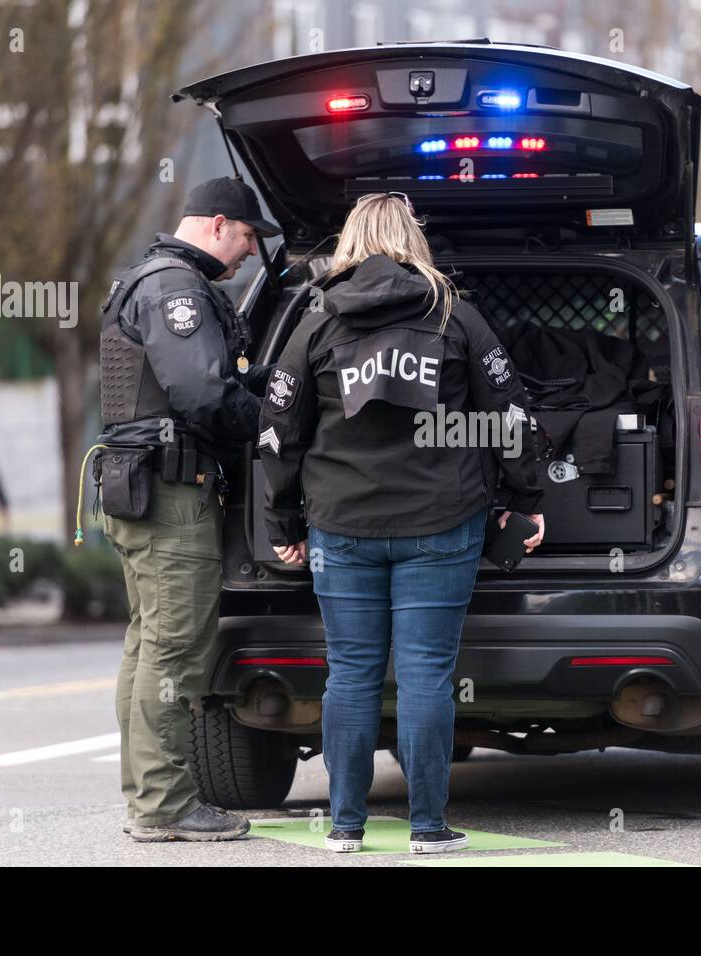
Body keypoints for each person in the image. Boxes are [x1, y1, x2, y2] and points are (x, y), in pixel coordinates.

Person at [259, 192, 545, 855]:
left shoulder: (318, 320)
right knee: (424, 676)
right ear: (414, 238)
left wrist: (282, 522)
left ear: (350, 239)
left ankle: (346, 827)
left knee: (352, 675)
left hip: (341, 524)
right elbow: (509, 416)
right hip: (441, 524)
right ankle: (427, 828)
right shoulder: (454, 316)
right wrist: (525, 498)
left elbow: (279, 432)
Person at [98, 177, 280, 842]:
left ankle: (151, 796)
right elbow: (204, 395)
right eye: (250, 238)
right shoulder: (175, 287)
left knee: (149, 645)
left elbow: (218, 378)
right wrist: (280, 428)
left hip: (149, 487)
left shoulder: (163, 279)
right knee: (172, 651)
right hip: (170, 492)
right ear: (218, 224)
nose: (252, 255)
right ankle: (164, 806)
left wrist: (273, 384)